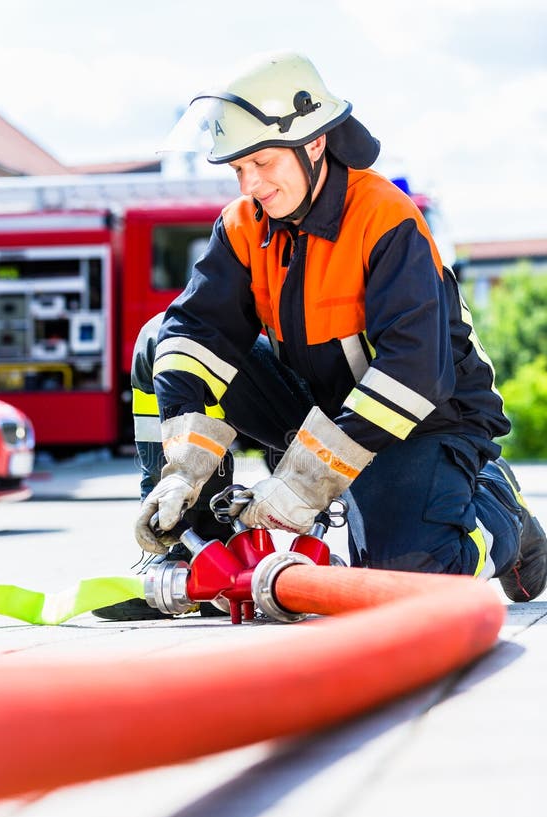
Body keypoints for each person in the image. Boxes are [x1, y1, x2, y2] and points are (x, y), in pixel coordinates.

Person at [93, 49, 546, 621]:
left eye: (262, 162)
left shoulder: (384, 217)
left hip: (426, 418)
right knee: (161, 340)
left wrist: (306, 483)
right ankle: (195, 553)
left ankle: (495, 509)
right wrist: (182, 470)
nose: (250, 183)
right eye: (238, 169)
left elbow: (413, 373)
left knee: (405, 580)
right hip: (323, 408)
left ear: (313, 144)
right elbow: (196, 331)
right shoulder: (242, 225)